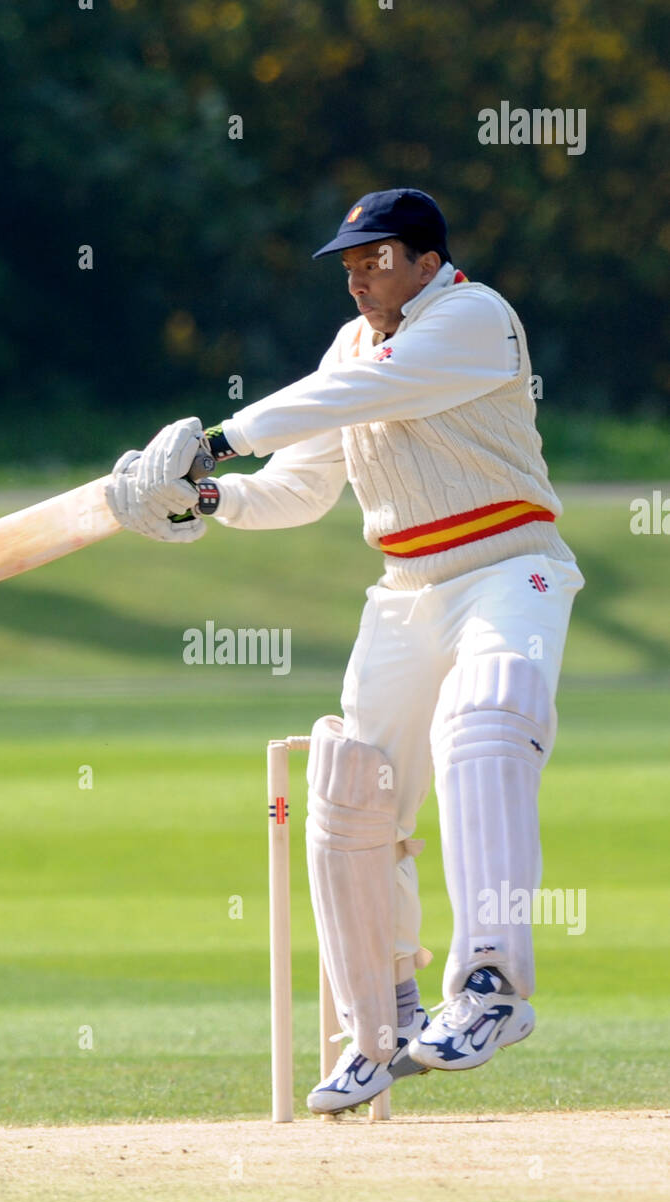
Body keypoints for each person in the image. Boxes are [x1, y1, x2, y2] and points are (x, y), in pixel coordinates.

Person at [105, 188, 584, 1114]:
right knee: (351, 785)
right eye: (350, 264)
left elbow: (360, 394)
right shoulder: (351, 346)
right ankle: (378, 1030)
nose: (358, 277)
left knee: (484, 721)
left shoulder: (476, 318)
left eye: (374, 260)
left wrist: (211, 442)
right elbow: (300, 486)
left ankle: (489, 990)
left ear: (425, 260)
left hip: (509, 568)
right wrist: (209, 499)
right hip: (406, 590)